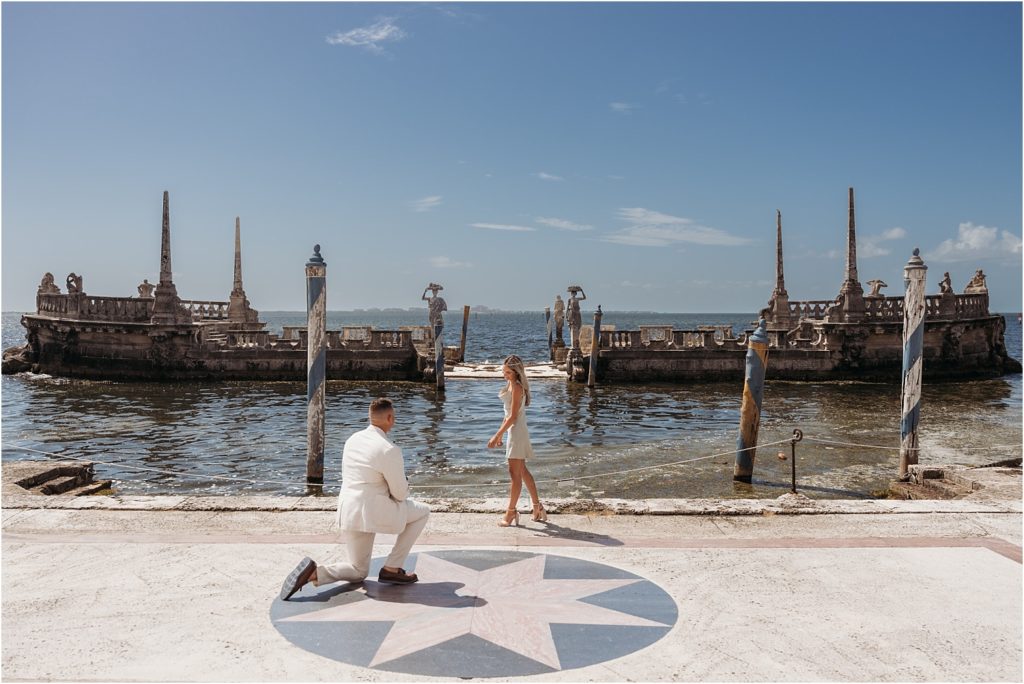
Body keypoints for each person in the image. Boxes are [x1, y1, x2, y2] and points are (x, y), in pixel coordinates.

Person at [280, 398, 431, 600]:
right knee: (422, 512)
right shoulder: (389, 449)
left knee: (358, 571)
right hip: (373, 511)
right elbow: (400, 494)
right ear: (390, 418)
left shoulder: (353, 439)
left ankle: (316, 573)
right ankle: (392, 568)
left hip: (349, 510)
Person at [487, 354, 546, 526]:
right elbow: (507, 415)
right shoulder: (510, 384)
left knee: (514, 475)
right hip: (514, 431)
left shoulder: (518, 387)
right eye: (504, 372)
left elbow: (513, 417)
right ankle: (537, 507)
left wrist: (497, 435)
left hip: (517, 432)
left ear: (517, 372)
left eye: (509, 373)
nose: (505, 375)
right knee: (522, 471)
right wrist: (501, 433)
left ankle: (511, 513)